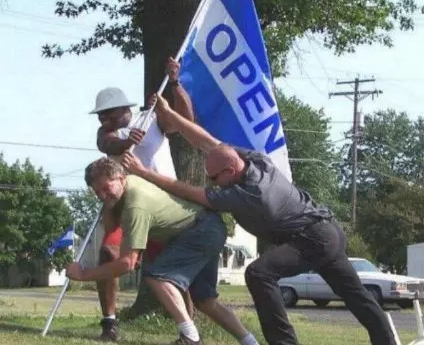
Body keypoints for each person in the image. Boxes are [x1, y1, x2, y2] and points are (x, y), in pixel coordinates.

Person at [121, 94, 397, 345]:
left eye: (214, 178)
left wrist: (143, 172)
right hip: (327, 232)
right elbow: (207, 142)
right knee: (356, 296)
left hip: (311, 238)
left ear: (229, 170)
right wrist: (171, 114)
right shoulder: (256, 161)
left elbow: (189, 192)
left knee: (259, 273)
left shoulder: (249, 194)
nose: (212, 182)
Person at [66, 158, 259, 345]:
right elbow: (110, 228)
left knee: (157, 276)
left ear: (121, 178)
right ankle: (250, 341)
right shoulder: (129, 185)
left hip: (201, 229)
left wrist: (83, 274)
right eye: (96, 191)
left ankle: (191, 338)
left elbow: (127, 263)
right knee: (204, 300)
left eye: (106, 188)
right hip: (207, 226)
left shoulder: (135, 205)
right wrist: (108, 200)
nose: (101, 195)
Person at [89, 57, 195, 341]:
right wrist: (126, 142)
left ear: (126, 109)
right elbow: (107, 144)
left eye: (109, 114)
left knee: (170, 272)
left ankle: (188, 329)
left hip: (162, 203)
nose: (104, 120)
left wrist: (173, 84)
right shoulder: (107, 134)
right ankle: (109, 323)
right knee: (109, 253)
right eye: (101, 116)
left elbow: (186, 121)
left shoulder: (151, 118)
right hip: (129, 205)